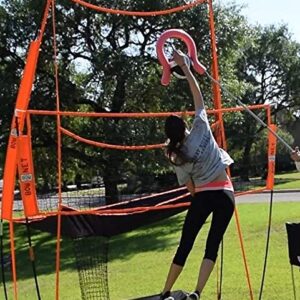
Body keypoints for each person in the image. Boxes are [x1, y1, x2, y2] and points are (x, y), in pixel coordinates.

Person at [160, 50, 235, 300]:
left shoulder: (176, 155)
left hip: (202, 196)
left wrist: (200, 194)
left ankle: (165, 291)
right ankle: (197, 293)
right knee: (212, 245)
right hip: (225, 194)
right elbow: (198, 96)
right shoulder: (202, 125)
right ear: (185, 125)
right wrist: (185, 67)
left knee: (185, 245)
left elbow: (191, 190)